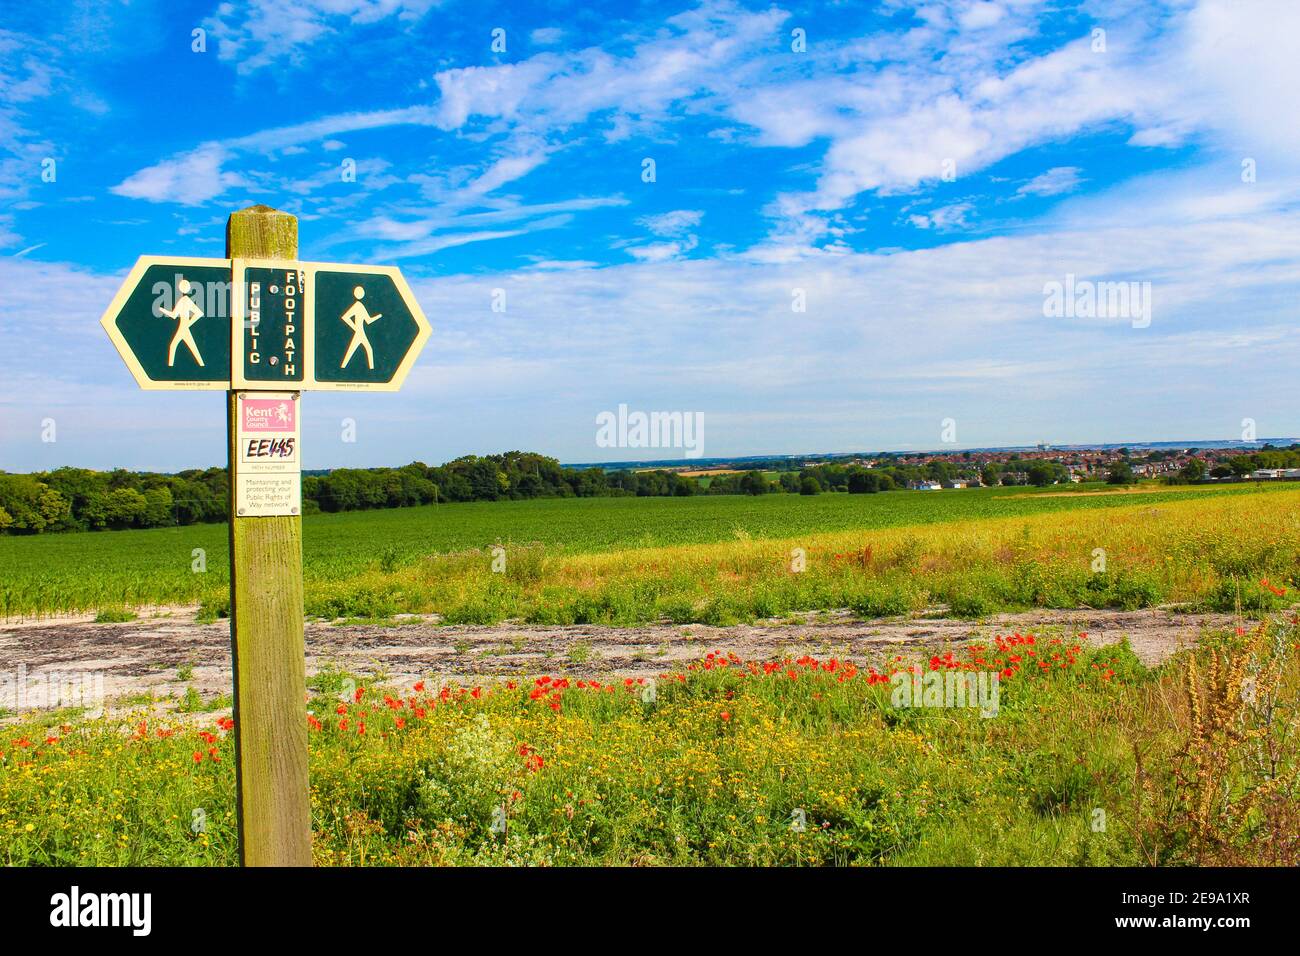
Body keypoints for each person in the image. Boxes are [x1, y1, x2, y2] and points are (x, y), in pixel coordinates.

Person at [159, 277, 205, 367]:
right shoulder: (183, 300)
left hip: (183, 326)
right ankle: (202, 365)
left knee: (173, 346)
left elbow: (199, 313)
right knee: (193, 348)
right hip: (183, 326)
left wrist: (188, 324)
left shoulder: (185, 300)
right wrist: (162, 309)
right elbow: (174, 315)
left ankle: (169, 369)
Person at [340, 285, 381, 370]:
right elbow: (345, 317)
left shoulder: (361, 306)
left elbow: (368, 321)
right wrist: (354, 327)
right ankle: (343, 367)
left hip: (361, 332)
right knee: (357, 350)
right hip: (359, 332)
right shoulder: (357, 305)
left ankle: (371, 370)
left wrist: (378, 316)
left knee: (367, 349)